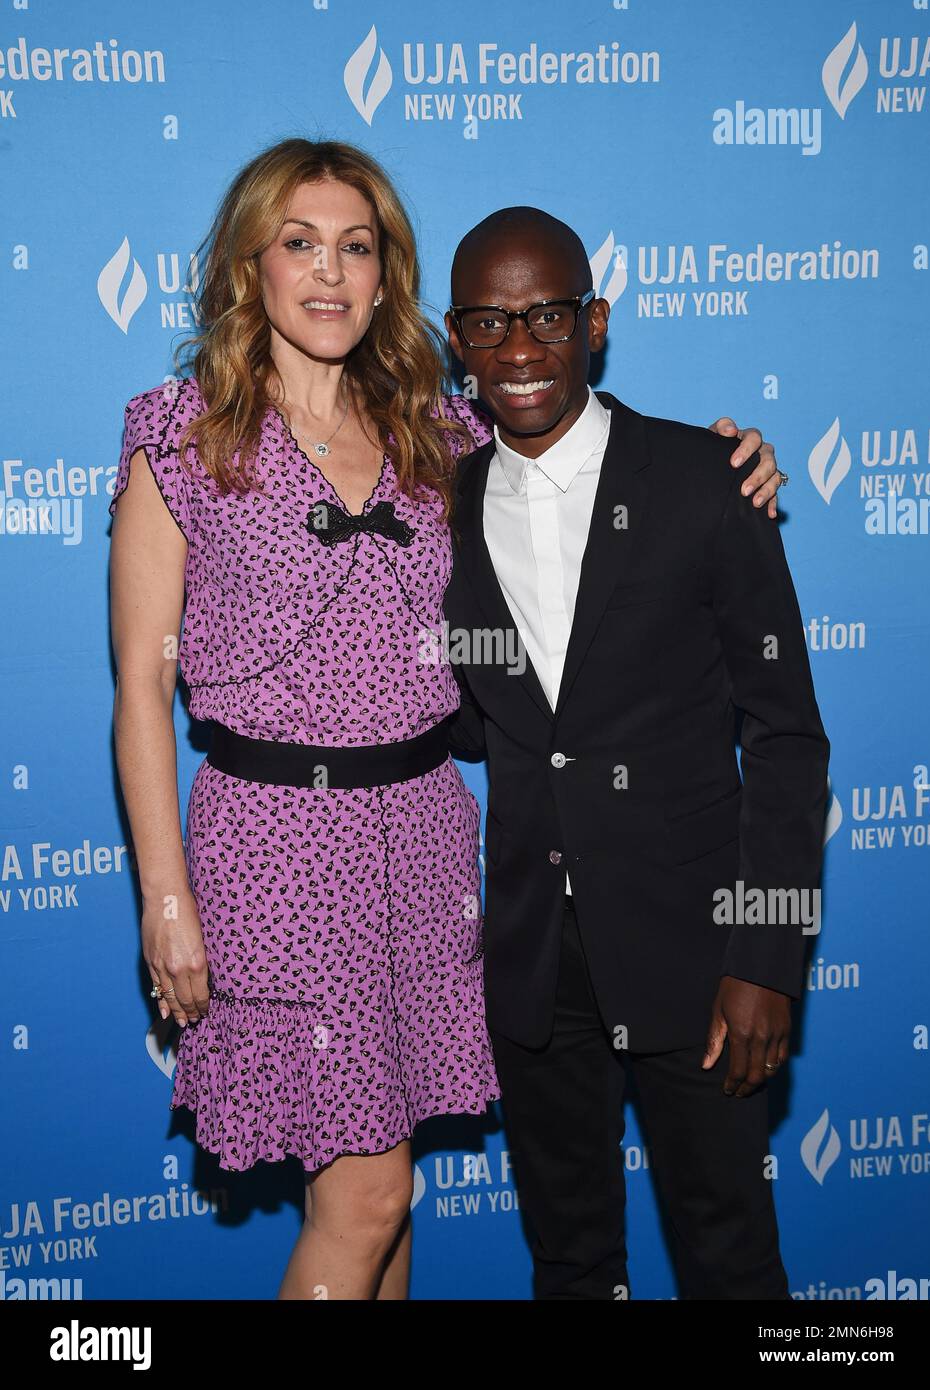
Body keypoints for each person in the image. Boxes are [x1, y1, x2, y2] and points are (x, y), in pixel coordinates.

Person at [108, 139, 784, 1302]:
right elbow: (137, 690)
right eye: (298, 243)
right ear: (248, 267)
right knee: (364, 1198)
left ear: (387, 277)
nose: (329, 272)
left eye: (356, 247)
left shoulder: (442, 438)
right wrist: (165, 901)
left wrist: (731, 465)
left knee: (387, 1199)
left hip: (426, 844)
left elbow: (582, 451)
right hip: (274, 848)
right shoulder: (181, 436)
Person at [443, 206, 829, 1300]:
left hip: (699, 960)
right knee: (569, 1265)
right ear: (454, 340)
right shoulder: (445, 499)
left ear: (594, 322)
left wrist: (762, 959)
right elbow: (478, 712)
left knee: (731, 1262)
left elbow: (788, 741)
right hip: (532, 965)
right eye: (486, 322)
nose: (518, 350)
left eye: (546, 317)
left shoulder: (705, 479)